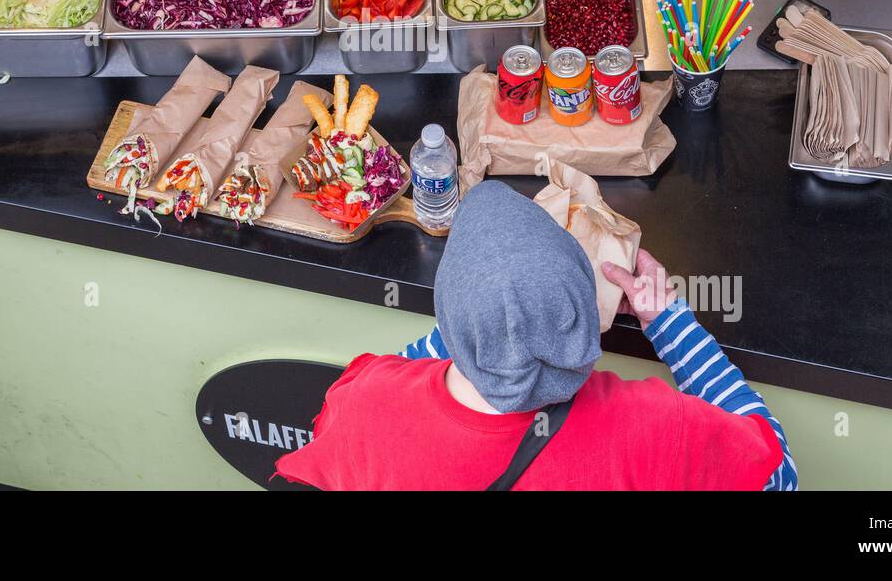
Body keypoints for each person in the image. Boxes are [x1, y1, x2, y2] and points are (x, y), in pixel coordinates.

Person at [275, 181, 797, 491]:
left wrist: (472, 327)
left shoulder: (365, 400)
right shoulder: (659, 428)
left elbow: (341, 429)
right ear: (585, 318)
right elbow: (779, 473)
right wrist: (669, 324)